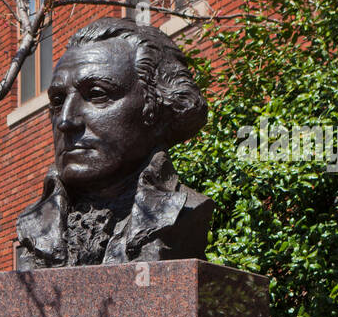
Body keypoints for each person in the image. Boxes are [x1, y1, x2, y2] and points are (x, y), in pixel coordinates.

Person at [15, 18, 213, 270]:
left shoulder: (185, 212)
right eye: (57, 100)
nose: (65, 120)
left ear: (155, 108)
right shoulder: (34, 226)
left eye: (97, 94)